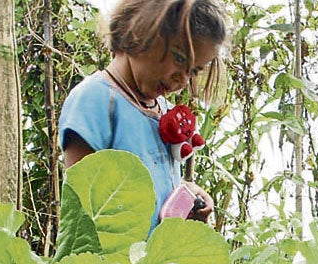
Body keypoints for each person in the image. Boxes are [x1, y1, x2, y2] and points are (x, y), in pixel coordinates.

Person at [58, 0, 229, 233]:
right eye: (179, 58)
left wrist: (185, 192)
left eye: (194, 70)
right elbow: (81, 213)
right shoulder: (95, 100)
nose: (183, 80)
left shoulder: (163, 109)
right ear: (140, 30)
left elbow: (151, 186)